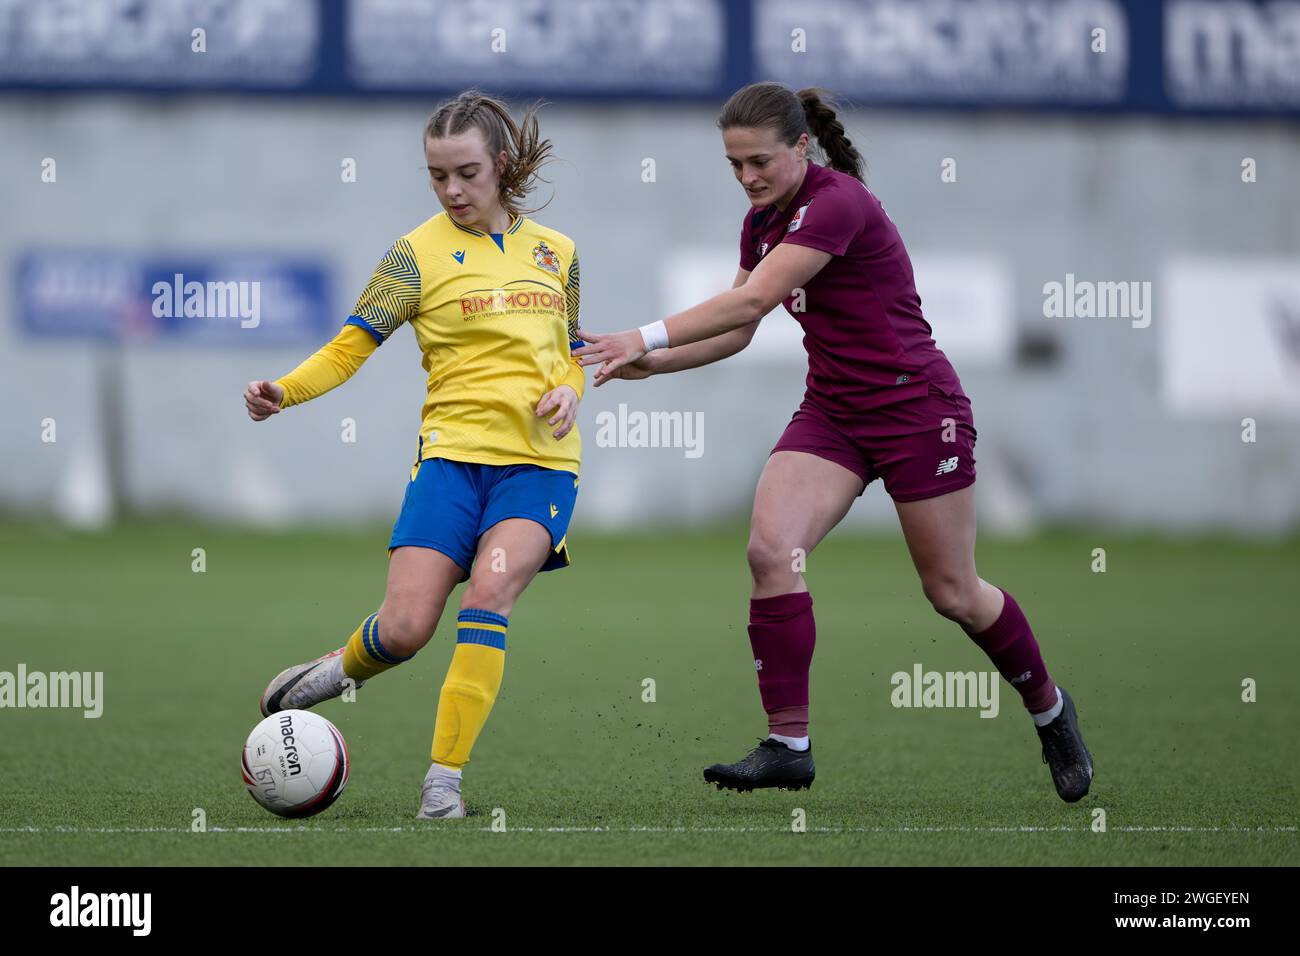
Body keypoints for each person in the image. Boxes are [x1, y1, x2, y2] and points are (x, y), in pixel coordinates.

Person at [574, 82, 1092, 802]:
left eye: (759, 160)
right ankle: (789, 745)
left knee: (952, 592)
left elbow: (753, 300)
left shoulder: (837, 201)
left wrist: (642, 334)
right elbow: (741, 331)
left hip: (919, 411)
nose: (748, 177)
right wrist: (650, 366)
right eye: (734, 165)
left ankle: (1051, 709)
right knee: (769, 550)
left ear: (801, 147)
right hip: (834, 413)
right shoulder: (760, 223)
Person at [243, 90, 586, 819]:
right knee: (404, 630)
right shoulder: (413, 255)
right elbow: (349, 348)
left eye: (465, 173)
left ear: (500, 165)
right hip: (451, 463)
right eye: (437, 175)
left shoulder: (558, 253)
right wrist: (285, 391)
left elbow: (573, 352)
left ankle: (443, 783)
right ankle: (334, 671)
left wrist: (571, 388)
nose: (452, 190)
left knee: (489, 598)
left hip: (541, 469)